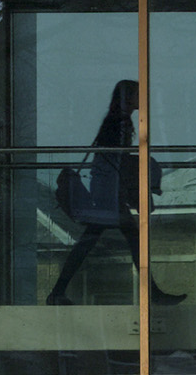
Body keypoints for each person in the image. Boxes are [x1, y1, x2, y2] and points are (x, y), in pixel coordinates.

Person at [47, 76, 168, 303]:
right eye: (138, 94)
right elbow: (116, 160)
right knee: (128, 238)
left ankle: (58, 292)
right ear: (128, 98)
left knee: (90, 241)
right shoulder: (121, 123)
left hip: (105, 189)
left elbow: (110, 159)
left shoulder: (116, 120)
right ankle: (153, 293)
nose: (143, 99)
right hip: (108, 192)